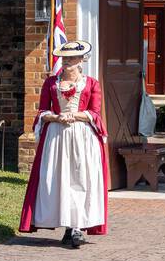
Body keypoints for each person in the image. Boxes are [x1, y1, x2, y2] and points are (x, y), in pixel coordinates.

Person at [18, 39, 109, 248]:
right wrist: (56, 117)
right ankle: (67, 225)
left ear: (81, 60)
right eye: (65, 58)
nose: (68, 61)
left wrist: (75, 115)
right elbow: (42, 111)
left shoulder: (92, 84)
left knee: (81, 178)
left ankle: (77, 227)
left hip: (82, 137)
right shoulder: (51, 83)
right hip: (57, 137)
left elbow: (95, 113)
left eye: (73, 58)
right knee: (60, 179)